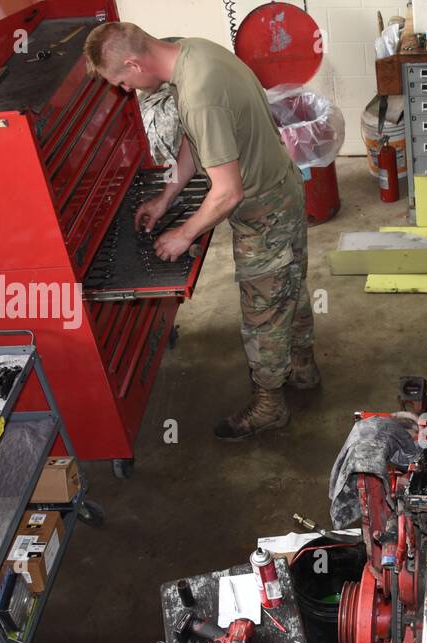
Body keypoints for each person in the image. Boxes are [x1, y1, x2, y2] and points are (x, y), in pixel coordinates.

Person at [83, 22, 320, 441]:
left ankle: (270, 405)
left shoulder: (198, 96)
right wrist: (167, 197)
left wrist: (183, 235)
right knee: (290, 286)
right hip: (282, 186)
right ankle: (302, 369)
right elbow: (198, 141)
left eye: (121, 81)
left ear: (134, 63)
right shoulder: (190, 53)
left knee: (264, 311)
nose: (123, 89)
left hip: (264, 211)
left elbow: (227, 192)